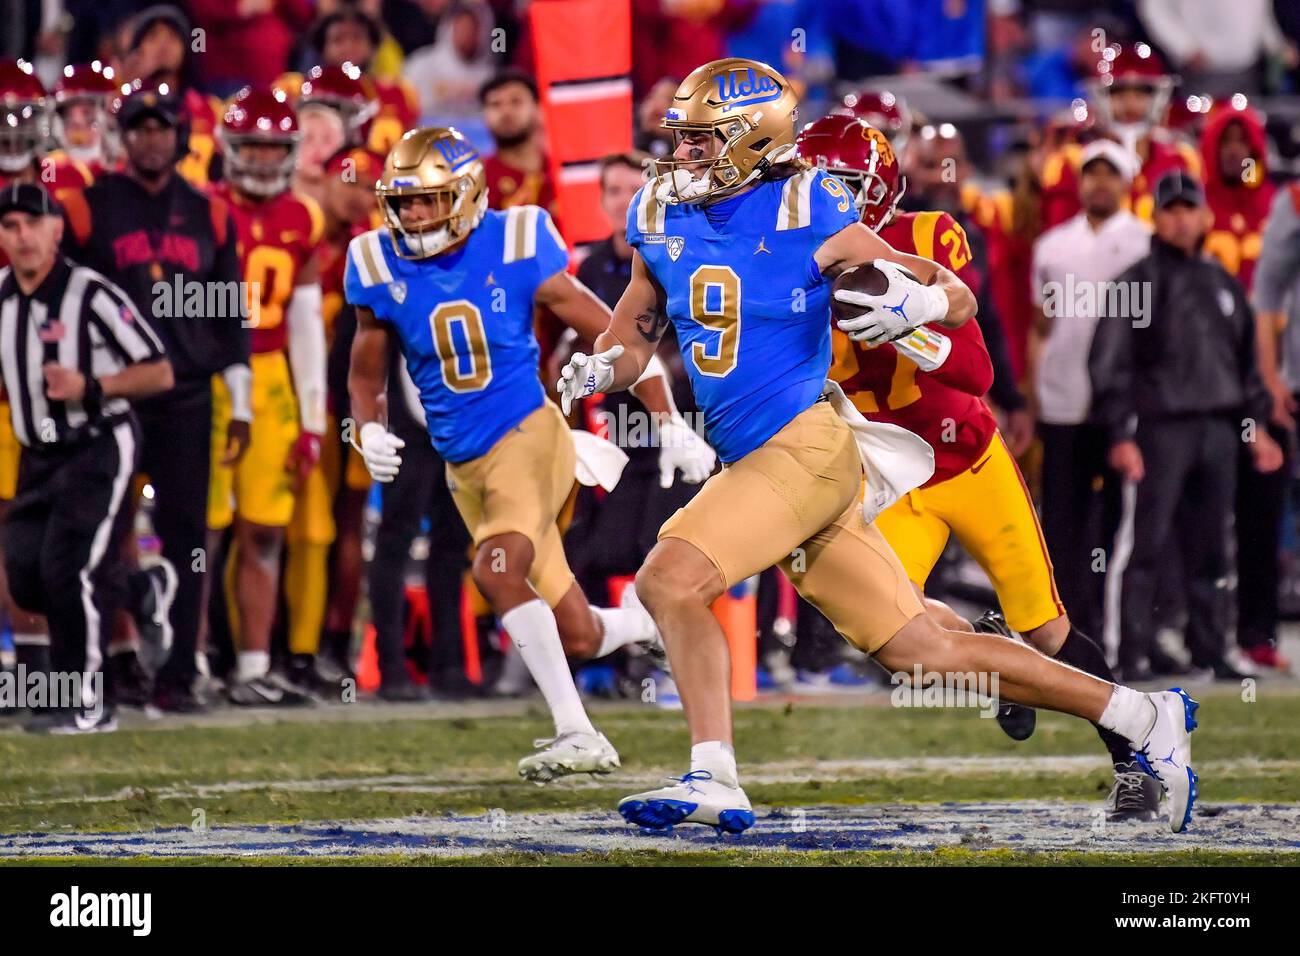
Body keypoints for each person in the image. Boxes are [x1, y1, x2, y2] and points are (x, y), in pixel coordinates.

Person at [559, 57, 1200, 835]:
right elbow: (636, 330)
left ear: (752, 141)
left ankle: (715, 773)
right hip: (764, 458)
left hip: (804, 448)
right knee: (922, 650)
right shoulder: (660, 211)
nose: (684, 155)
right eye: (684, 141)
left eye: (701, 142)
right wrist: (600, 364)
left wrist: (920, 304)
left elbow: (954, 294)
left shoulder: (806, 202)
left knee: (670, 577)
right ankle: (1141, 715)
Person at [800, 114, 1159, 821]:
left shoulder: (930, 235)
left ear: (874, 189)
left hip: (966, 458)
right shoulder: (792, 264)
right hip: (893, 476)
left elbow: (974, 365)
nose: (821, 199)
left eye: (836, 186)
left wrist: (916, 317)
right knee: (883, 633)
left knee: (1048, 627)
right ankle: (987, 655)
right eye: (811, 185)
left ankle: (1134, 761)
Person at [346, 127, 710, 781]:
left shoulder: (513, 243)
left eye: (428, 201)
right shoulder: (376, 262)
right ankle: (640, 627)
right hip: (463, 462)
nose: (414, 215)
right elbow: (366, 372)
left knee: (493, 568)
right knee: (579, 633)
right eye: (404, 203)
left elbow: (609, 332)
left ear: (465, 196)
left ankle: (578, 731)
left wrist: (669, 421)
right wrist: (367, 429)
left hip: (527, 436)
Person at [61, 83, 251, 714]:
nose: (150, 138)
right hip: (113, 395)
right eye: (138, 128)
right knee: (100, 532)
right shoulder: (87, 208)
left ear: (180, 136)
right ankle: (109, 666)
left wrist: (242, 401)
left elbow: (231, 317)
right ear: (124, 135)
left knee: (187, 537)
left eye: (160, 128)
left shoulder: (212, 213)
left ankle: (178, 673)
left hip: (188, 394)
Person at [1090, 169, 1284, 682]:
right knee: (1145, 544)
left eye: (1187, 208)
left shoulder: (1221, 281)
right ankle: (1128, 652)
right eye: (1170, 209)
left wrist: (1255, 426)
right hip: (1159, 427)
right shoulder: (1135, 282)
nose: (1180, 219)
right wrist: (1120, 434)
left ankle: (1210, 648)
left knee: (1214, 547)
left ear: (1204, 216)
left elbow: (1244, 366)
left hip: (1218, 429)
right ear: (1157, 216)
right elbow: (1110, 362)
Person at [0, 182, 173, 732]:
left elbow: (159, 371)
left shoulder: (90, 293)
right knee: (26, 578)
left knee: (67, 571)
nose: (22, 235)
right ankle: (143, 587)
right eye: (10, 226)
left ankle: (87, 702)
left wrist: (91, 385)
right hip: (37, 453)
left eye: (33, 222)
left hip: (98, 442)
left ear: (56, 230)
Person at [207, 87, 329, 705]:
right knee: (200, 534)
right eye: (248, 145)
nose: (258, 159)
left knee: (264, 532)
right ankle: (193, 664)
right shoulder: (202, 208)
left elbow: (307, 320)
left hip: (271, 372)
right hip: (208, 373)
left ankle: (254, 668)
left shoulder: (303, 215)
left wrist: (311, 417)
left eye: (269, 146)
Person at [1031, 139, 1151, 643]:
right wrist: (1032, 394)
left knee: (1115, 528)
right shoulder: (1052, 244)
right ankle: (1066, 632)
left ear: (1127, 182)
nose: (1100, 183)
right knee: (1061, 524)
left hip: (1123, 410)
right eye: (1091, 173)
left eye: (1110, 174)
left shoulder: (1146, 241)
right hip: (1060, 401)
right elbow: (1040, 325)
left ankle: (1114, 632)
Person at [478, 71, 556, 214]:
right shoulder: (477, 181)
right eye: (495, 104)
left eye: (516, 101)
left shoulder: (564, 174)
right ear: (484, 116)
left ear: (539, 109)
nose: (506, 111)